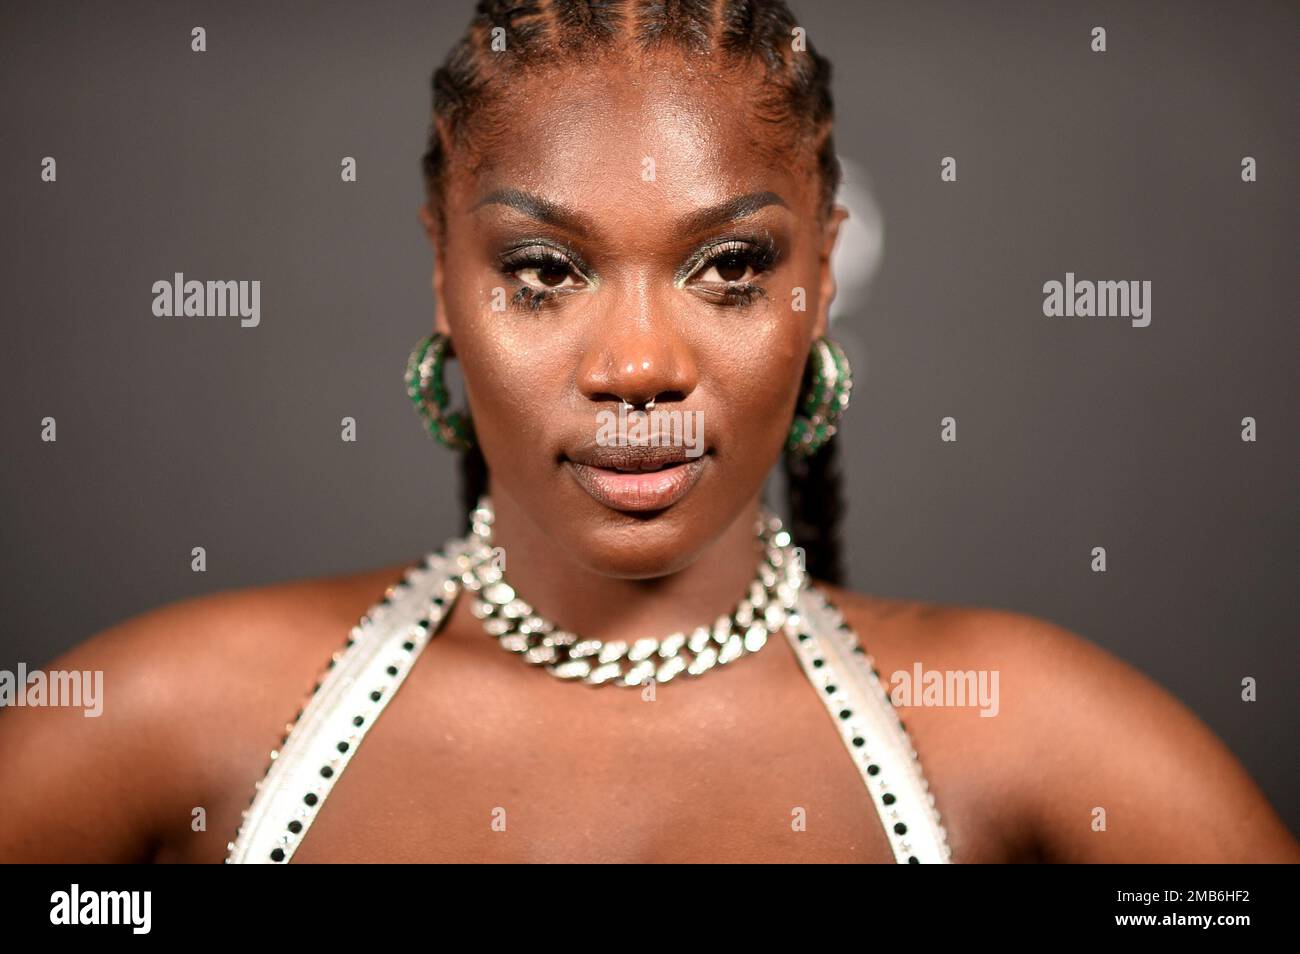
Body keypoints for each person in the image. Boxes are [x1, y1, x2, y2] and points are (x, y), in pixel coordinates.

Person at [2, 0, 1296, 864]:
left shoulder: (1029, 735)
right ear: (442, 275)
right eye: (545, 270)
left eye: (730, 264)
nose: (638, 367)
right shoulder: (170, 716)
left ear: (822, 275)